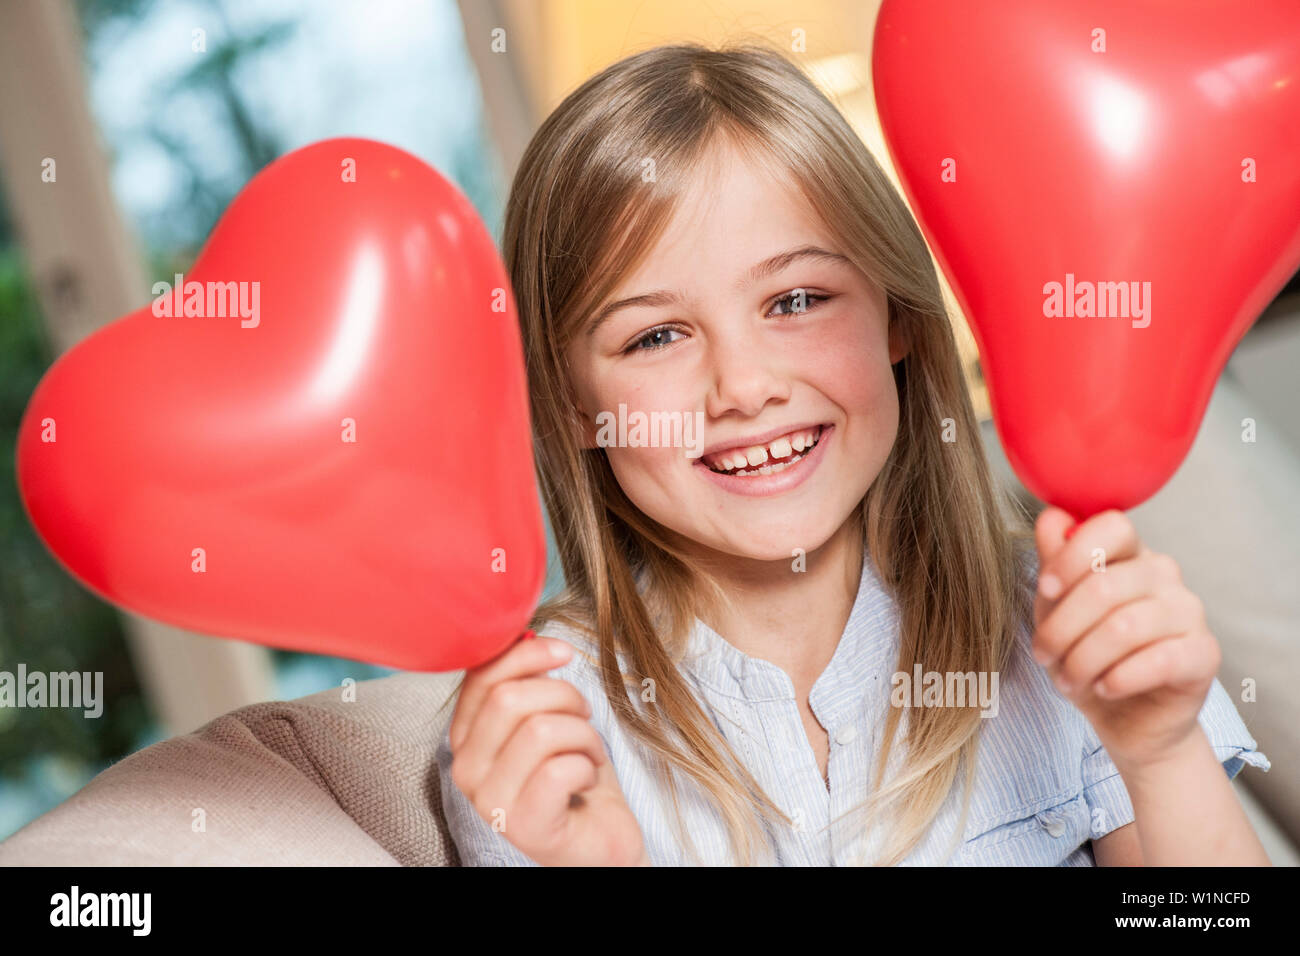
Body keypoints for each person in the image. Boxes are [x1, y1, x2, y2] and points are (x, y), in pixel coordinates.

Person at [436, 41, 1270, 866]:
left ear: (897, 316)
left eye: (796, 299)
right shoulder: (539, 736)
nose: (744, 386)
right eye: (656, 335)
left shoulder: (1057, 634)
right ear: (573, 403)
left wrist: (1162, 758)